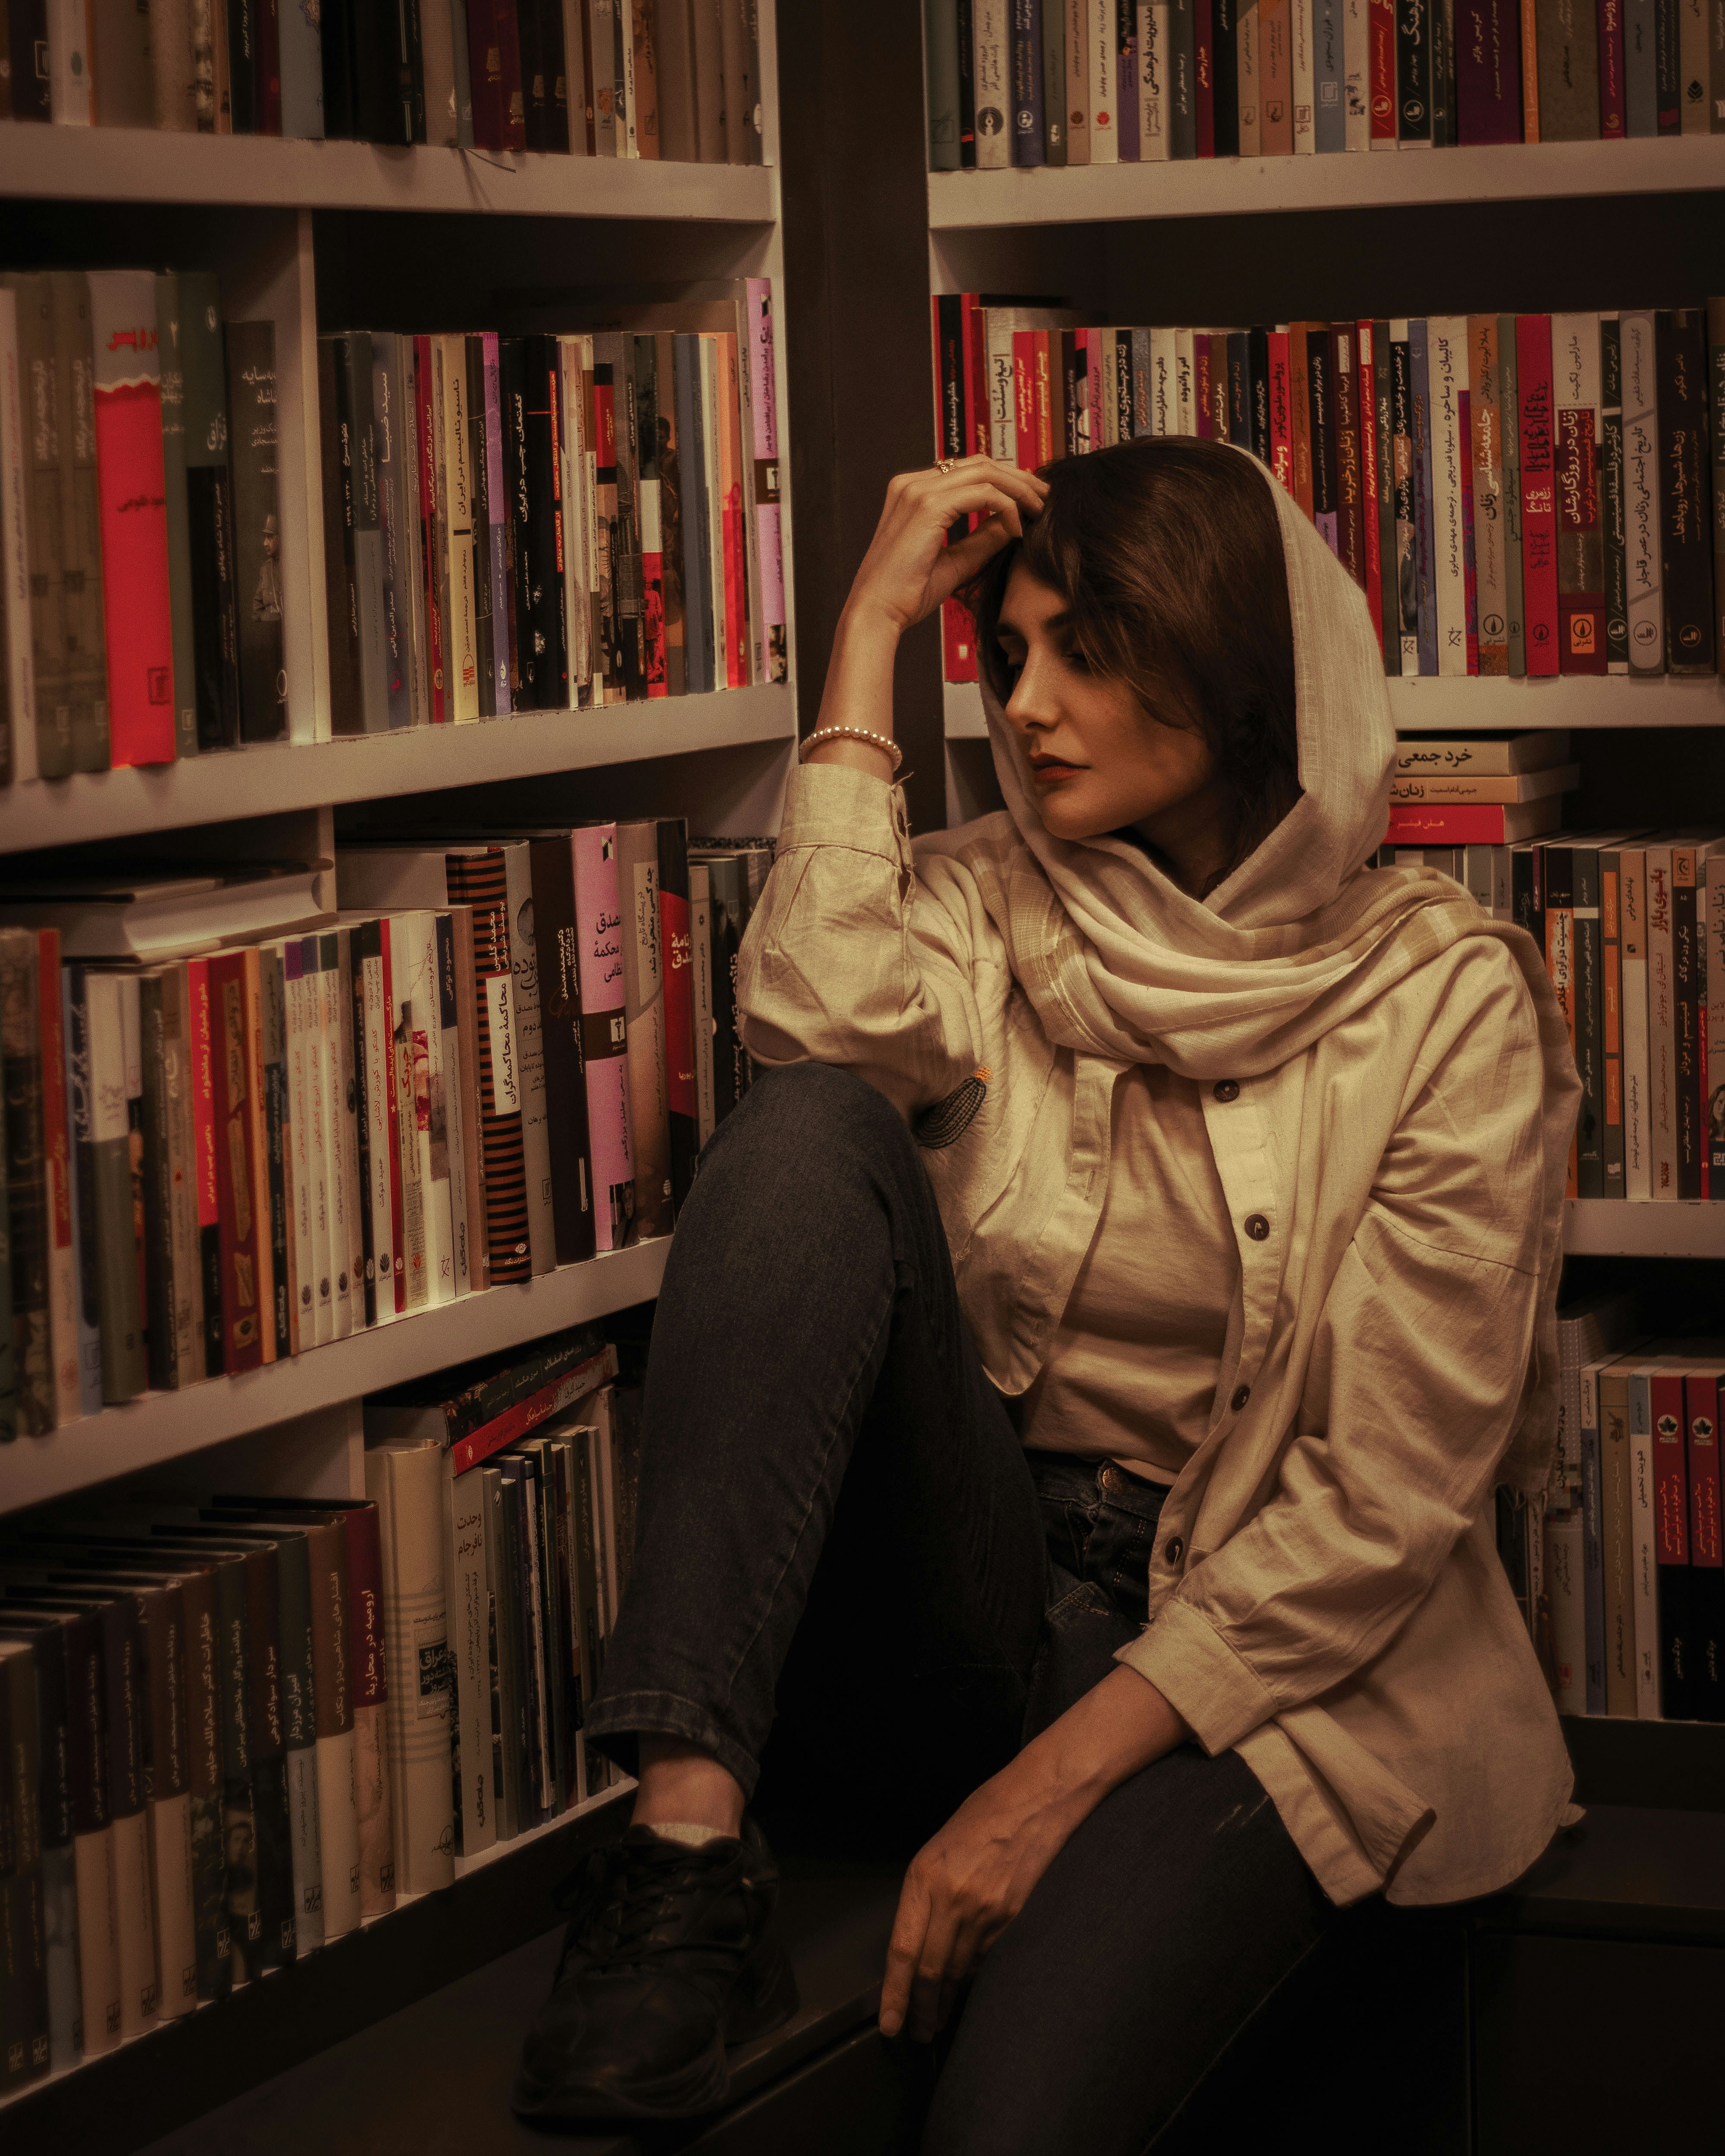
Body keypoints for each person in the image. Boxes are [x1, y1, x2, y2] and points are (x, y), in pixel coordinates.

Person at [511, 437, 1581, 2154]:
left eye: (1086, 650)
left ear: (1232, 671)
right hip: (975, 1591)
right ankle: (683, 1847)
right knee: (803, 1126)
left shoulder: (1440, 1001)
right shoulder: (988, 900)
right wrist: (865, 626)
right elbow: (812, 1019)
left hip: (1251, 1657)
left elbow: (1384, 1498)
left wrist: (1037, 1793)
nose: (1026, 702)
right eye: (1008, 653)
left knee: (1009, 2123)